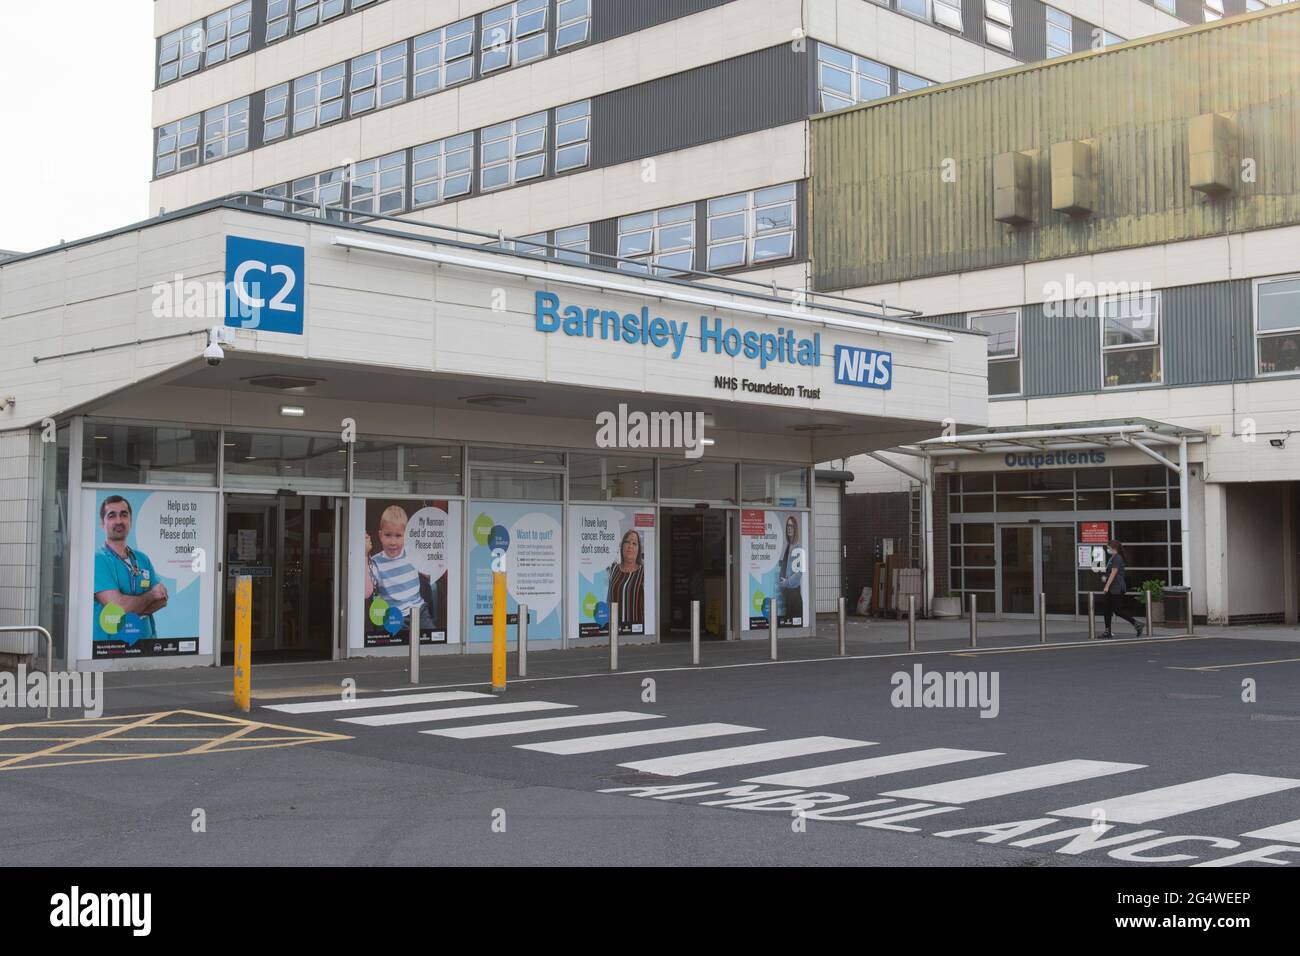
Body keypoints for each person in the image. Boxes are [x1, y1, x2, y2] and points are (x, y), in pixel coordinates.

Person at [93, 495, 168, 645]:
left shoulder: (142, 559)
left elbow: (162, 600)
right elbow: (117, 607)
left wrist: (130, 608)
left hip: (145, 643)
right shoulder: (98, 559)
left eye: (124, 514)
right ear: (103, 523)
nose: (119, 521)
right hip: (111, 647)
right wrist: (151, 595)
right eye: (112, 516)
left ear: (130, 521)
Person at [366, 505, 435, 636]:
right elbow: (368, 589)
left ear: (406, 536)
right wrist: (364, 555)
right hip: (394, 616)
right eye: (388, 535)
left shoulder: (412, 553)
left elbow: (430, 573)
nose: (393, 542)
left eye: (398, 536)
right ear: (380, 535)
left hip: (418, 610)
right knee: (398, 646)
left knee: (432, 637)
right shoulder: (376, 562)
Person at [1101, 538, 1144, 639]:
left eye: (1108, 547)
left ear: (1113, 547)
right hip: (1111, 587)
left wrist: (1106, 586)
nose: (1107, 549)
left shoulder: (1117, 558)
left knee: (1117, 610)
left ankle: (1136, 623)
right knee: (1106, 609)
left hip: (1116, 587)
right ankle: (1107, 631)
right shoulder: (1113, 557)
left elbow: (1114, 573)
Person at [606, 528, 645, 634]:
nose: (630, 546)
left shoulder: (643, 572)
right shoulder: (613, 569)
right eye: (627, 542)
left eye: (634, 543)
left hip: (636, 630)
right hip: (614, 629)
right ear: (622, 546)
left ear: (638, 549)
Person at [776, 514, 803, 625]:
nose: (789, 528)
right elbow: (789, 566)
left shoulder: (798, 548)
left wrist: (787, 582)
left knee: (793, 624)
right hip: (787, 593)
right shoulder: (788, 546)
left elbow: (800, 572)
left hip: (794, 596)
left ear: (795, 528)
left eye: (791, 526)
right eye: (787, 526)